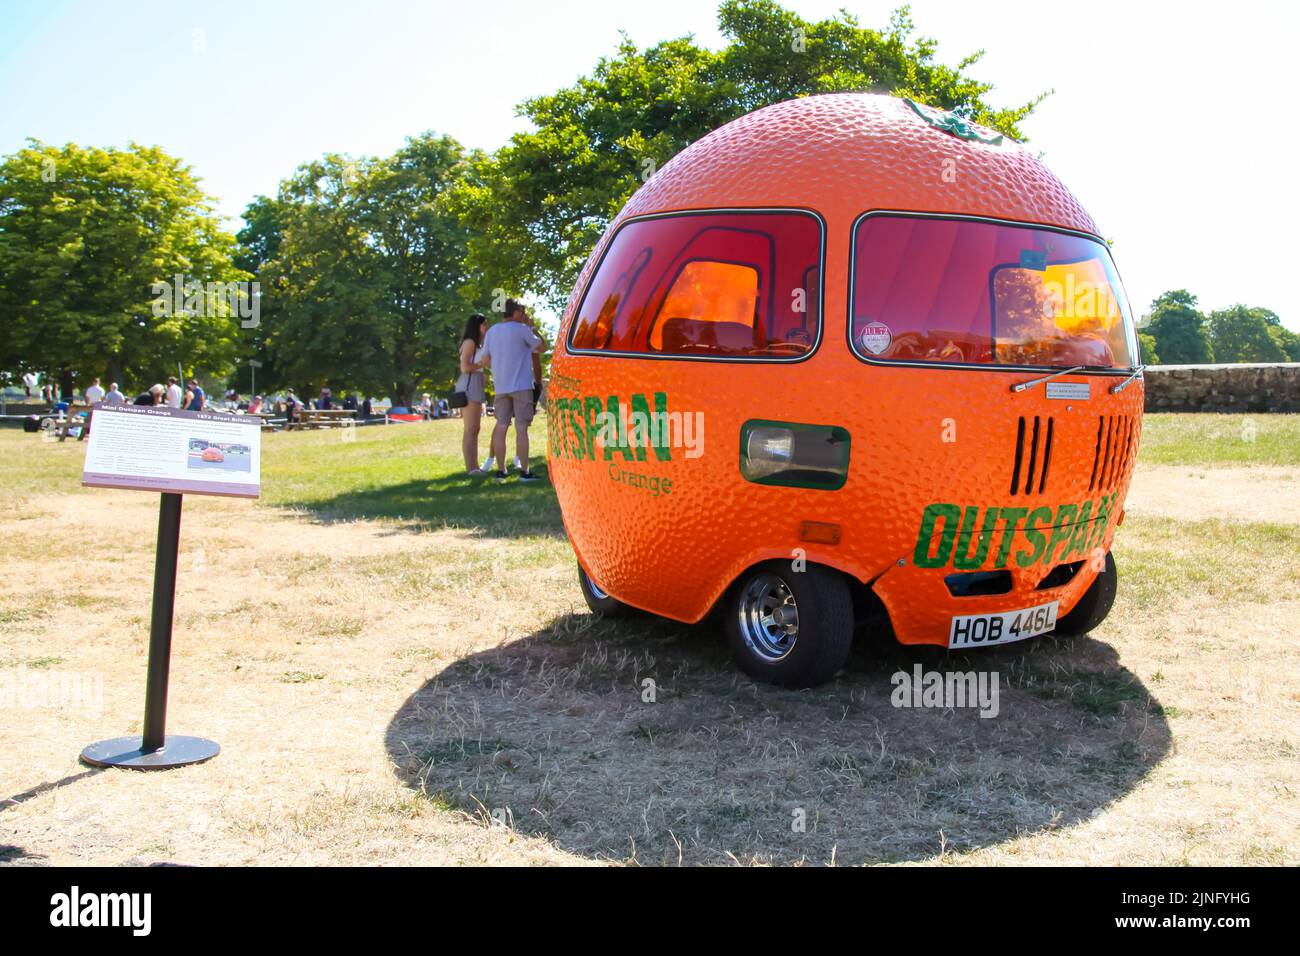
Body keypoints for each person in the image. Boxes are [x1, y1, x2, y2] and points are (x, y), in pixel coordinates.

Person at [480, 299, 545, 482]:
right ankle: (525, 472)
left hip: (501, 386)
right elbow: (542, 347)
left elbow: (485, 360)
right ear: (516, 312)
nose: (524, 315)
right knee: (521, 428)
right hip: (522, 385)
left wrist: (500, 366)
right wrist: (532, 328)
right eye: (522, 311)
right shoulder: (522, 329)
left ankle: (501, 471)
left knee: (501, 426)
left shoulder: (492, 331)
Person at [457, 313, 489, 475]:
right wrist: (481, 365)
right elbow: (464, 367)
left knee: (475, 428)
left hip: (475, 383)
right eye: (485, 324)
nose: (487, 327)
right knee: (470, 428)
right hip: (469, 385)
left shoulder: (478, 344)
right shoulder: (470, 342)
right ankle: (471, 468)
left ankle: (474, 466)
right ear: (477, 326)